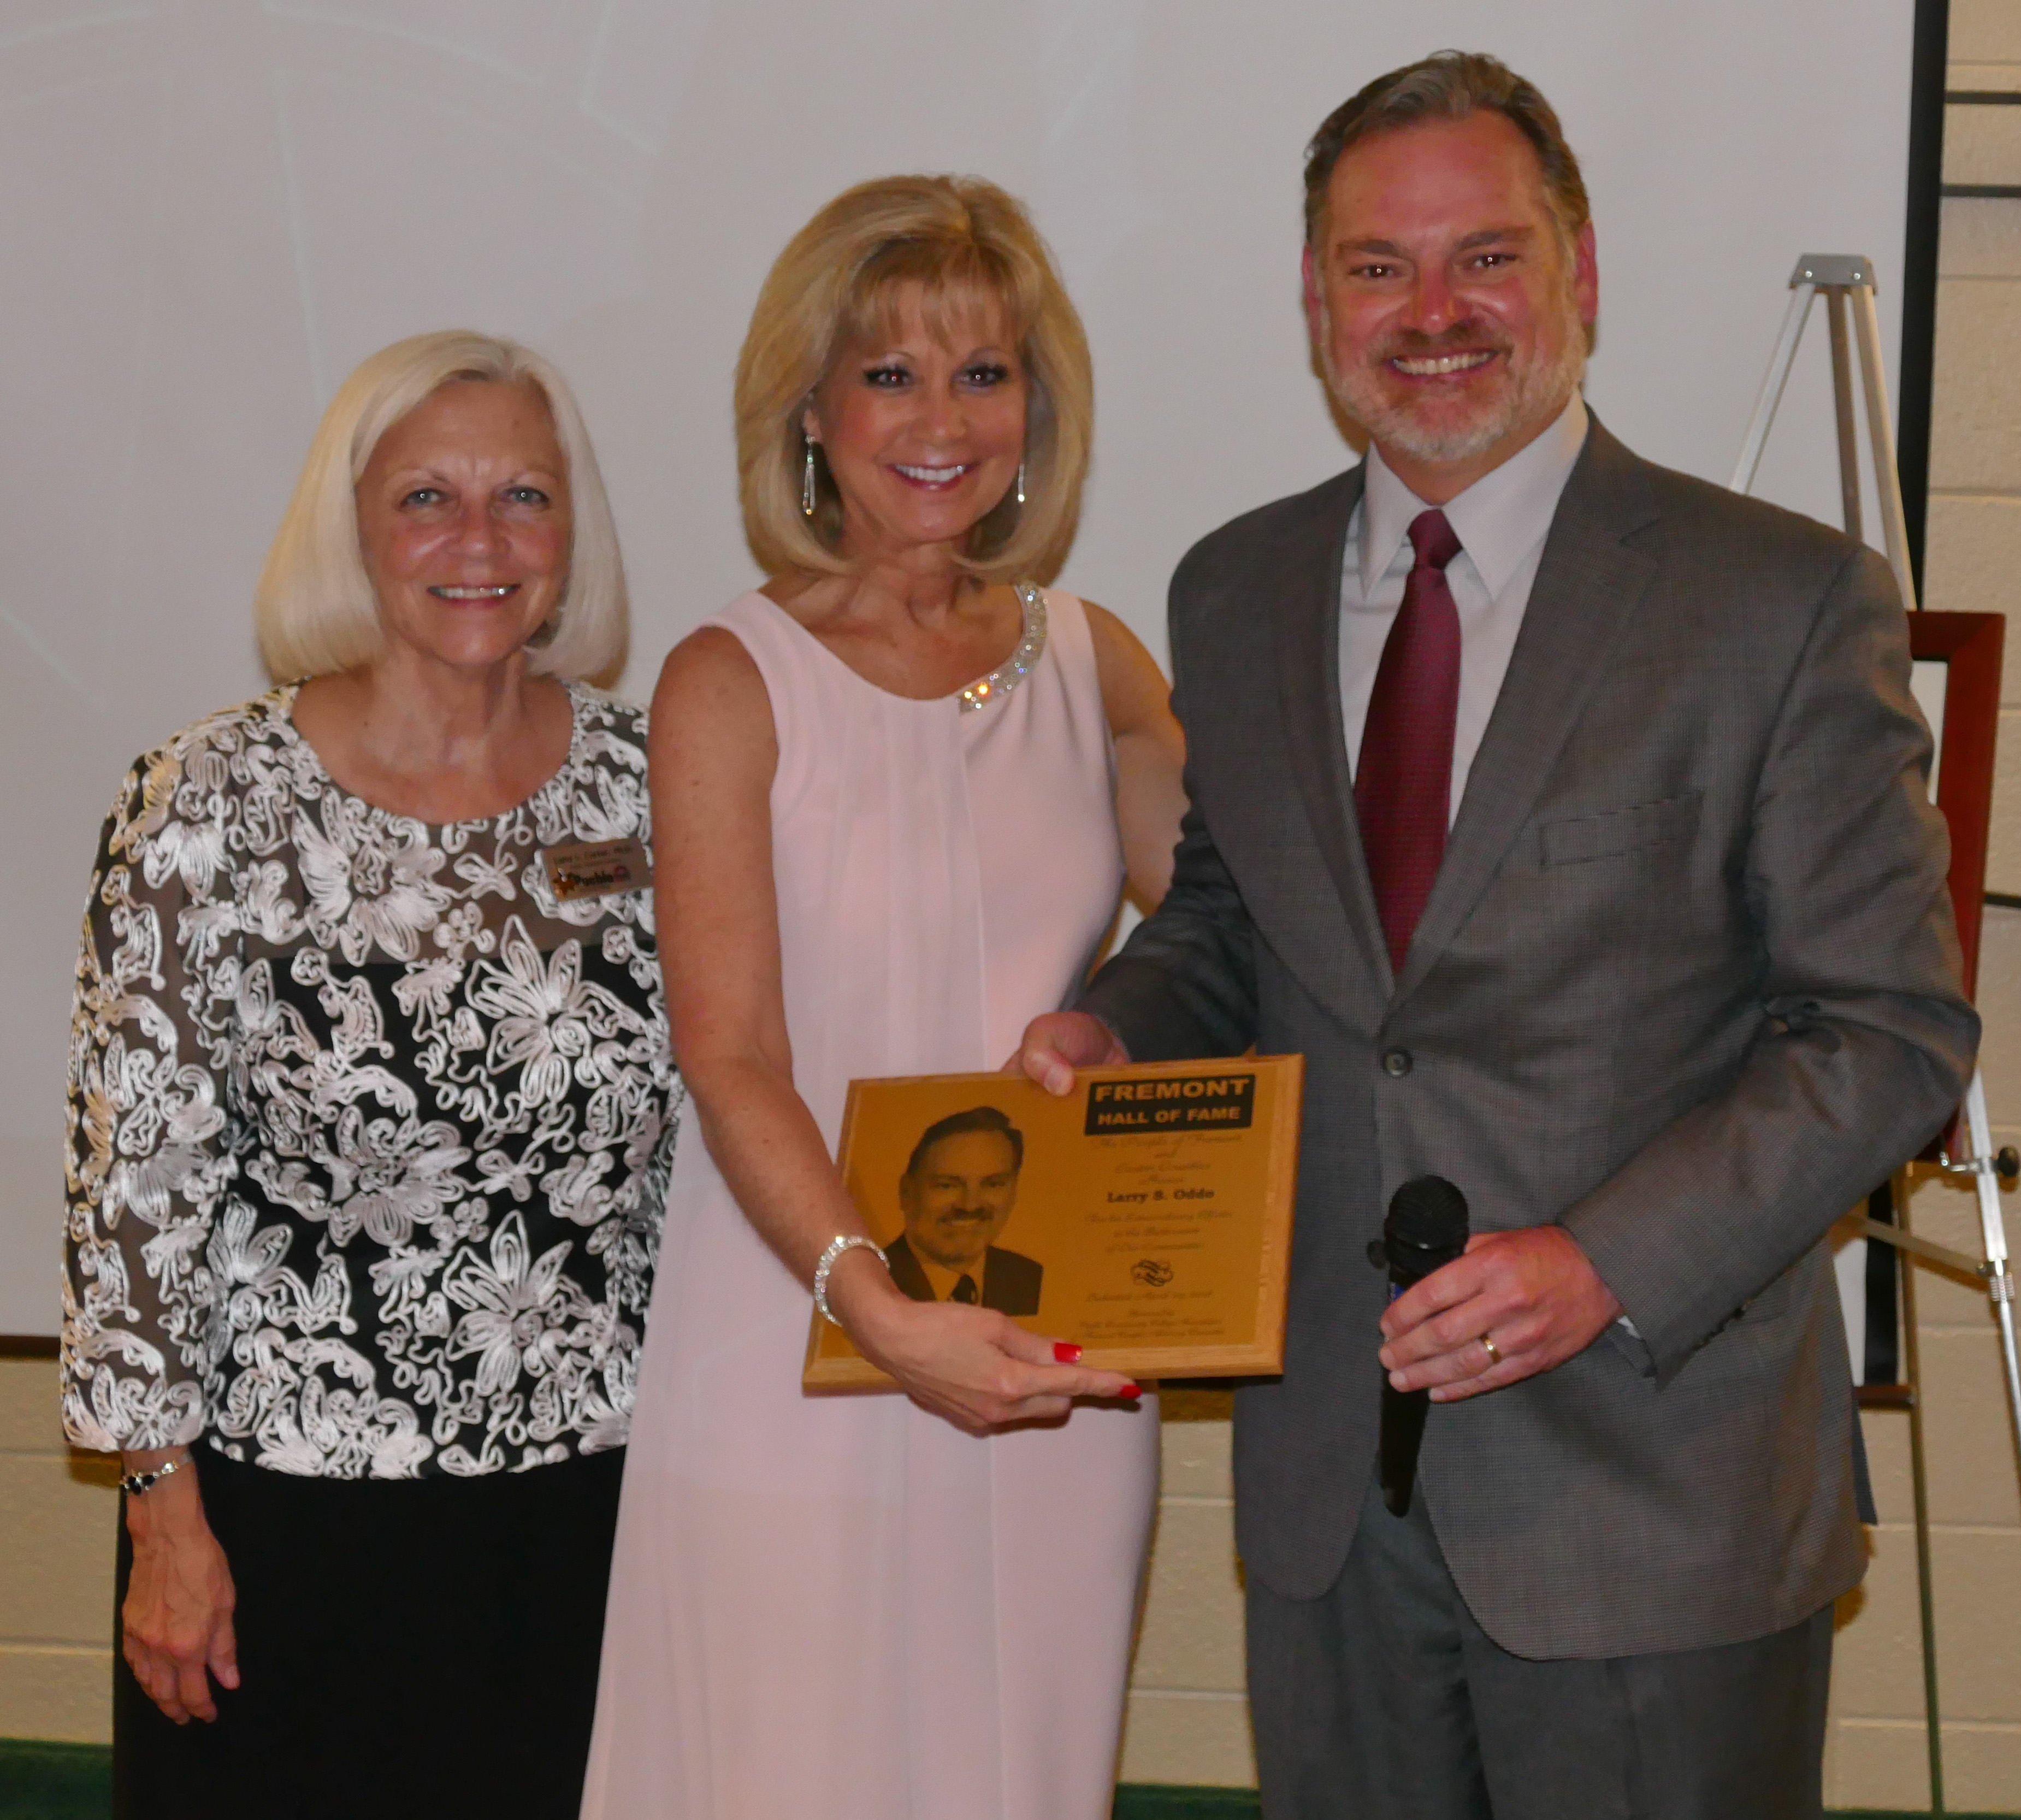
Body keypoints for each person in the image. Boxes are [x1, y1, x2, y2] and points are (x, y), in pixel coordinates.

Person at [1019, 52, 1979, 1820]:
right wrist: (1119, 1025)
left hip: (1652, 1493)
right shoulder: (1232, 591)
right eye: (1376, 267)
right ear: (1316, 303)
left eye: (1487, 255)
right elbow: (1234, 920)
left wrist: (1602, 1257)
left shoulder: (1772, 600)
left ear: (1580, 275)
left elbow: (1884, 1032)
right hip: (1328, 1491)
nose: (1432, 313)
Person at [582, 174, 1185, 1820]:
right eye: (892, 374)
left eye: (985, 374)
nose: (942, 421)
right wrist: (878, 1305)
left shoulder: (1097, 663)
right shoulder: (729, 677)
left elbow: (1239, 937)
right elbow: (730, 1053)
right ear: (809, 408)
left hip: (1042, 1362)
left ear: (1035, 411)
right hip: (791, 1336)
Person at [60, 330, 679, 1820]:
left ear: (571, 534)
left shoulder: (656, 783)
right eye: (427, 499)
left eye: (524, 497)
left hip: (594, 1515)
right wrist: (163, 1522)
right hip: (281, 1524)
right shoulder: (200, 798)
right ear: (352, 530)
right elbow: (137, 1190)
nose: (480, 541)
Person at [887, 1106, 1043, 1314]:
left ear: (1014, 1190)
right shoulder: (871, 1280)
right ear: (907, 1192)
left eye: (993, 1184)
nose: (970, 1206)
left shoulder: (1029, 1278)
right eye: (947, 1185)